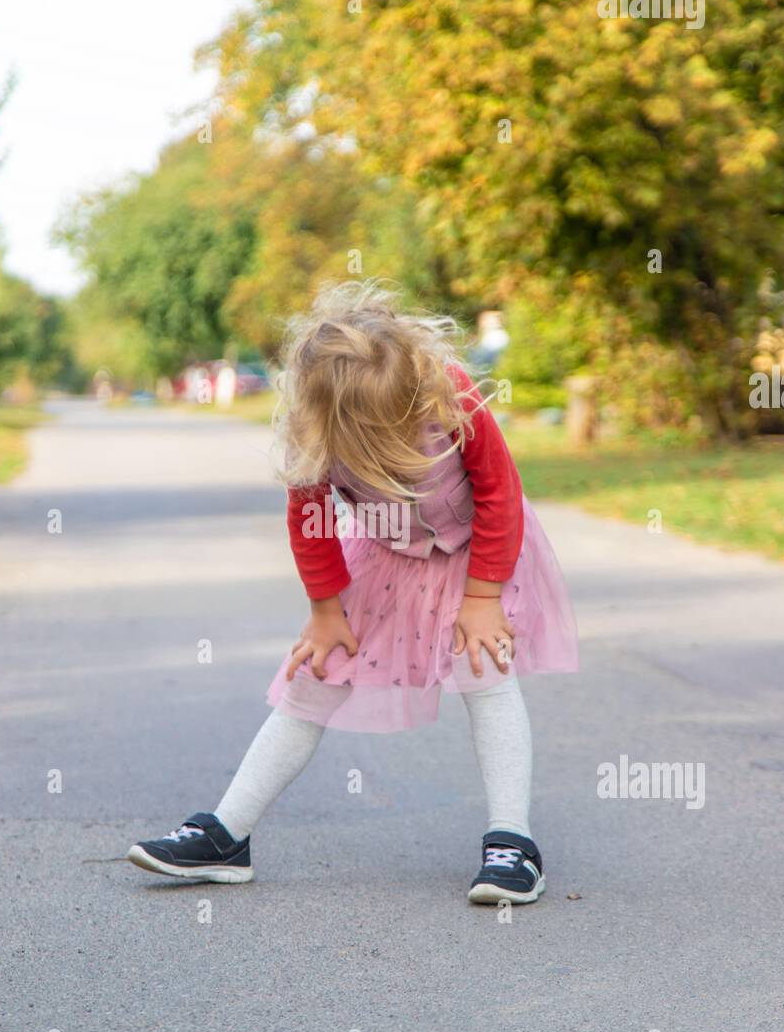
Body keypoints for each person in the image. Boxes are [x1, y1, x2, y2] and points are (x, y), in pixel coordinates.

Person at [128, 281, 578, 904]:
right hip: (386, 555)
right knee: (314, 672)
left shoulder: (450, 396)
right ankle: (226, 835)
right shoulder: (313, 428)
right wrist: (325, 612)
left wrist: (483, 600)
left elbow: (501, 492)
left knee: (484, 670)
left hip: (479, 554)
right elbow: (310, 520)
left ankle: (513, 843)